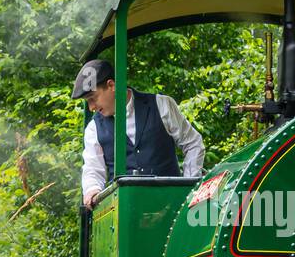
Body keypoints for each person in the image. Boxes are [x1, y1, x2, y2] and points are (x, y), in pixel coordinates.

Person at [73, 58, 205, 208]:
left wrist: (188, 187)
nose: (91, 107)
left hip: (171, 207)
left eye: (93, 99)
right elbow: (92, 168)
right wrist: (92, 190)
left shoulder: (162, 104)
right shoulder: (93, 128)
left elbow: (193, 143)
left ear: (111, 85)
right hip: (125, 214)